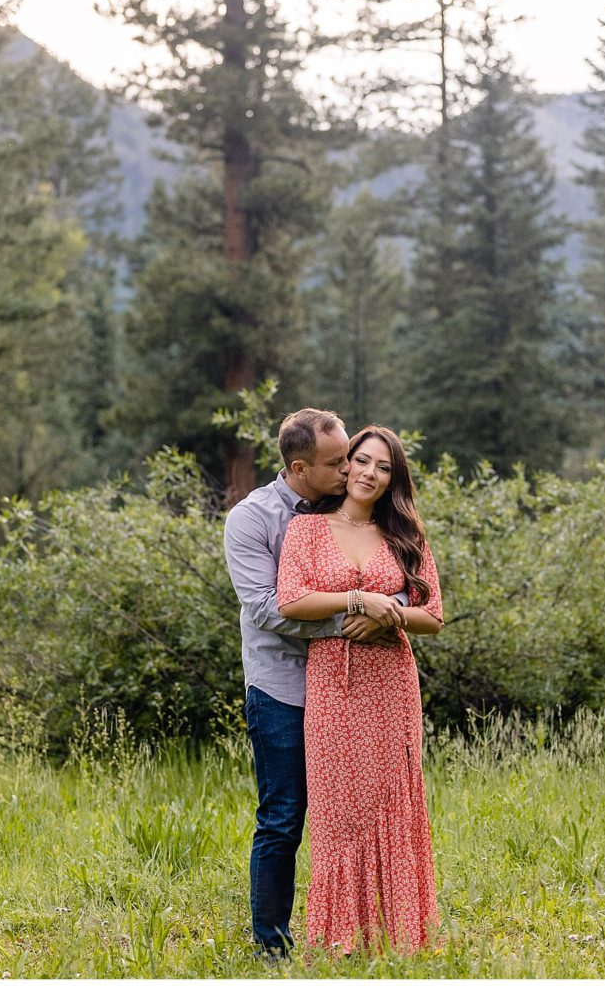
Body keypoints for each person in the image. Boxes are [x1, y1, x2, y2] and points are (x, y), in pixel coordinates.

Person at [222, 408, 403, 958]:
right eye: (338, 461)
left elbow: (400, 583)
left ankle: (357, 935)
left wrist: (386, 605)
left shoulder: (350, 512)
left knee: (354, 813)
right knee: (283, 815)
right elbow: (267, 610)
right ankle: (271, 946)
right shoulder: (253, 520)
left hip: (352, 689)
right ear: (300, 468)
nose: (352, 468)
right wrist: (355, 617)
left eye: (352, 455)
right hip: (282, 689)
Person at [277, 424, 443, 956]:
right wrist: (356, 600)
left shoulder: (406, 536)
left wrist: (388, 618)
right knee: (337, 808)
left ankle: (400, 933)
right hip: (332, 686)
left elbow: (433, 615)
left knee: (390, 805)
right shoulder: (306, 531)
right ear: (345, 464)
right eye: (362, 461)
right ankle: (340, 937)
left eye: (384, 467)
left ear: (394, 478)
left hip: (391, 686)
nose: (370, 473)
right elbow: (290, 601)